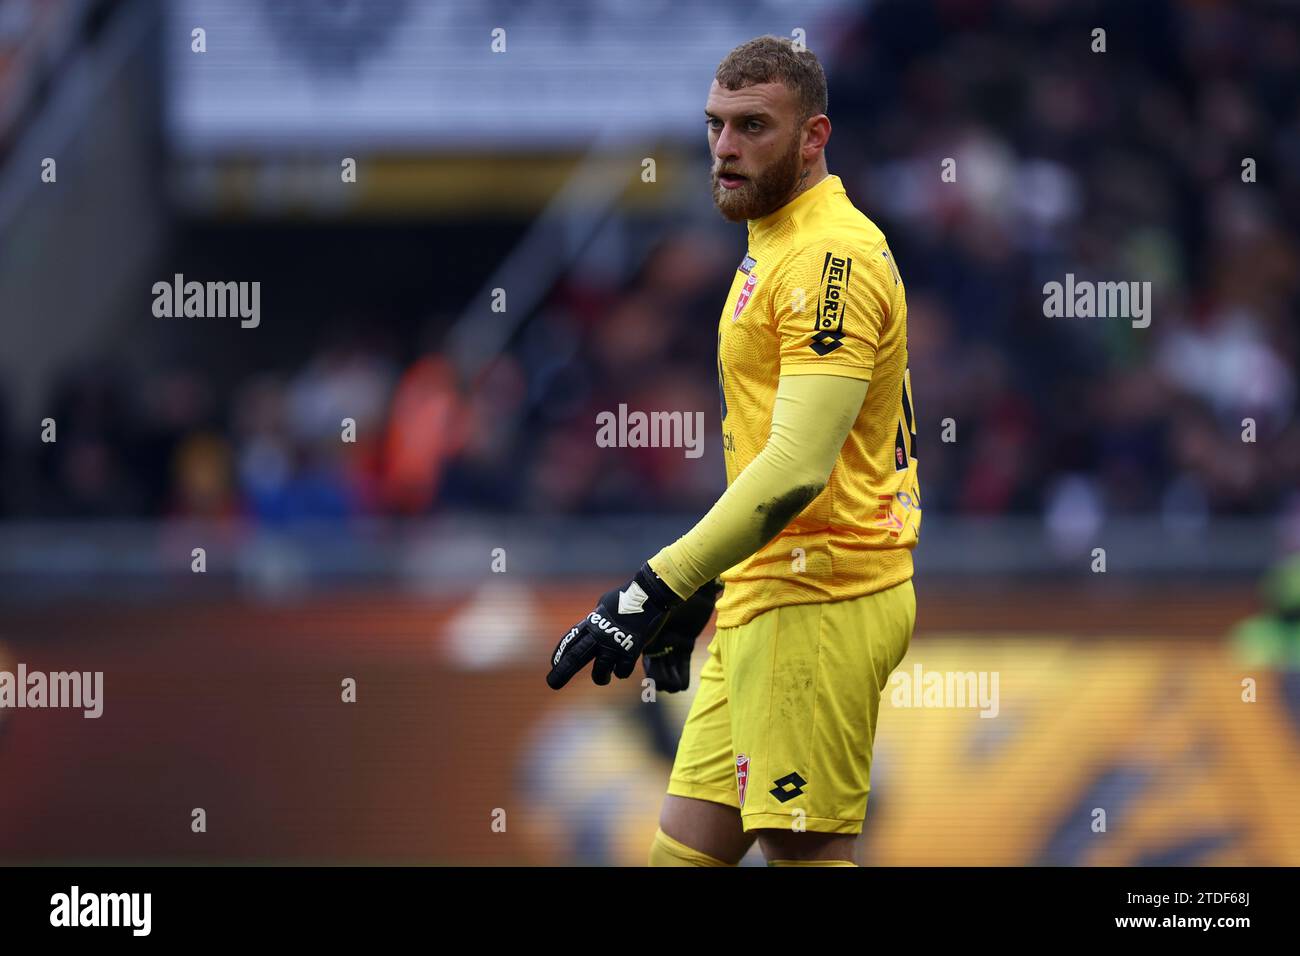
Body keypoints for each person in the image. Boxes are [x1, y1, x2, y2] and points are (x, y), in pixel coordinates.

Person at [547, 35, 921, 867]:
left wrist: (651, 590)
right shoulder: (777, 241)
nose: (724, 147)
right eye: (715, 125)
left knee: (803, 857)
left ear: (814, 136)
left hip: (822, 597)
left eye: (753, 126)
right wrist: (709, 585)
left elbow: (795, 467)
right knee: (682, 858)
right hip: (766, 592)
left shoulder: (829, 255)